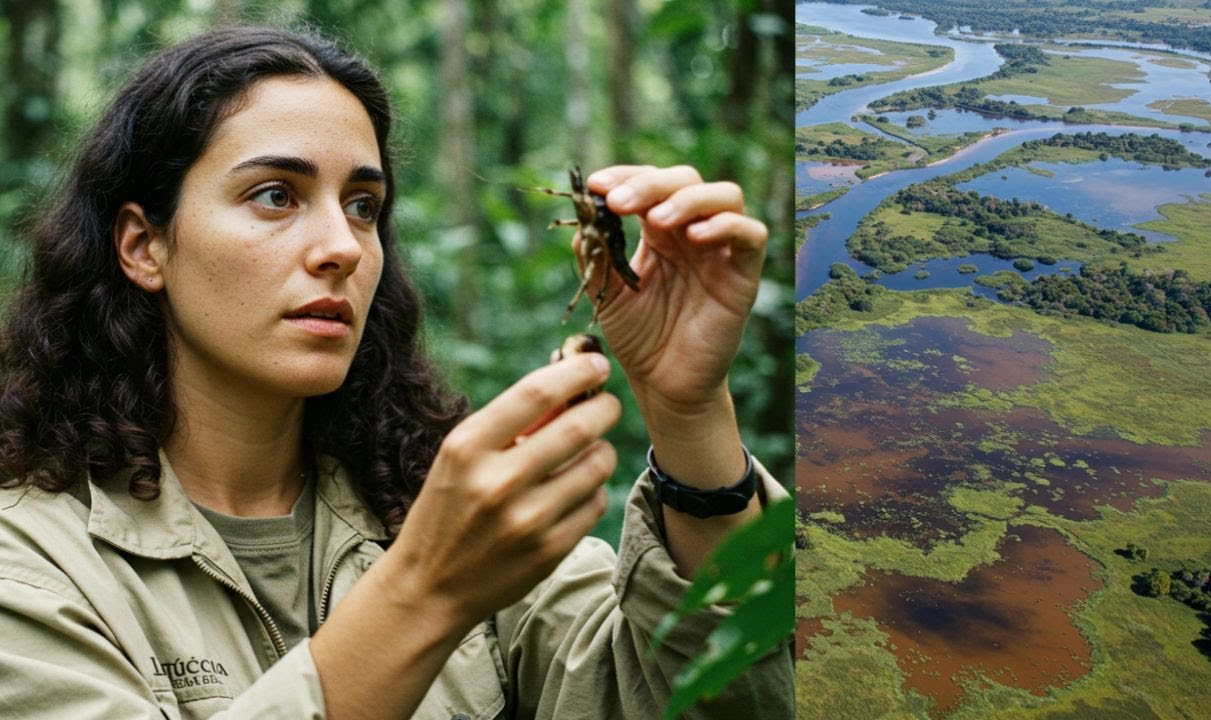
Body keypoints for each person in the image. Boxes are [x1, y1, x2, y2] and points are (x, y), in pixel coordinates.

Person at [0, 26, 792, 720]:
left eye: (364, 205)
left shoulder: (431, 504)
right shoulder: (31, 565)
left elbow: (709, 698)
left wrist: (689, 409)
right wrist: (425, 594)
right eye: (276, 195)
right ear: (145, 245)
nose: (343, 246)